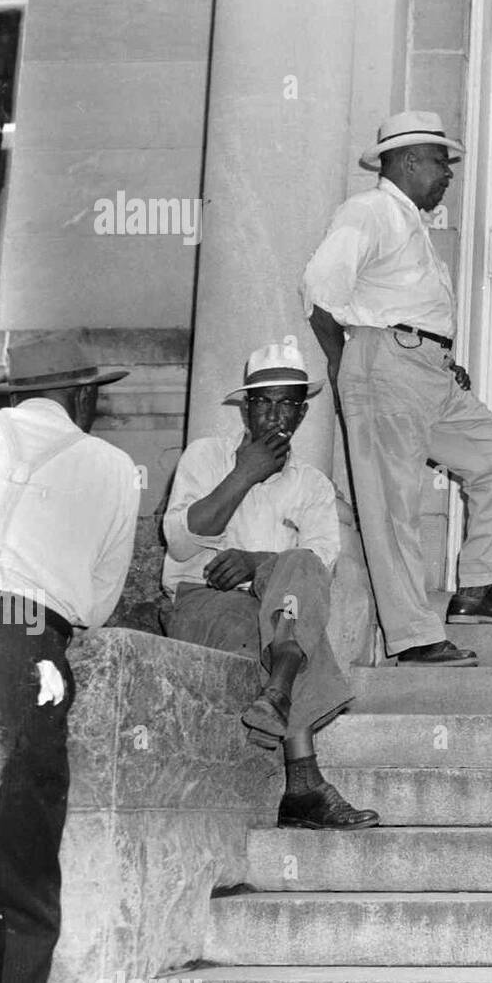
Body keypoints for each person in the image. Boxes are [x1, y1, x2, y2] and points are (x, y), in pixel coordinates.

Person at [303, 110, 492, 664]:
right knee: (394, 507)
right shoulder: (369, 210)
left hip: (428, 368)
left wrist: (435, 356)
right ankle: (414, 637)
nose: (448, 171)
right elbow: (320, 294)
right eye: (439, 160)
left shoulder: (410, 222)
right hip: (385, 363)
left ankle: (478, 586)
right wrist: (350, 368)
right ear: (406, 160)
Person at [162, 336, 378, 831]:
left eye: (288, 405)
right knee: (289, 624)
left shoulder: (313, 485)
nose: (276, 416)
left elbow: (319, 564)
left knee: (299, 567)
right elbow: (179, 544)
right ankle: (303, 780)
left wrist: (256, 560)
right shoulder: (206, 456)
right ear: (246, 409)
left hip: (280, 606)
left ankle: (277, 693)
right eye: (264, 404)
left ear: (302, 414)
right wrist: (245, 473)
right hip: (206, 602)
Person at [0, 333, 138, 983]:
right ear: (83, 395)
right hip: (25, 641)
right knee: (23, 879)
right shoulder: (111, 467)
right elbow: (98, 607)